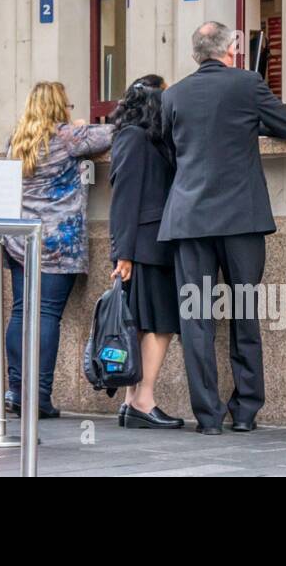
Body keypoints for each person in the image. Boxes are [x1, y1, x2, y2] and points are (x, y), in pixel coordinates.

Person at [160, 21, 286, 435]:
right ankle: (245, 410)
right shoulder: (248, 84)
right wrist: (249, 124)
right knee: (243, 311)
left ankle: (208, 417)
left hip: (188, 219)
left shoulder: (173, 95)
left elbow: (173, 150)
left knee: (196, 318)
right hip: (241, 217)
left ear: (194, 55)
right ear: (230, 51)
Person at [4, 81, 113, 418]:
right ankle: (39, 397)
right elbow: (116, 131)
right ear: (59, 107)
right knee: (48, 315)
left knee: (21, 312)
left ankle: (16, 390)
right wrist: (83, 125)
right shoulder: (68, 138)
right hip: (56, 243)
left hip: (20, 239)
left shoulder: (17, 141)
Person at [108, 76, 183, 430]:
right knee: (159, 325)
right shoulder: (135, 138)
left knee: (143, 324)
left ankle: (131, 401)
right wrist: (122, 253)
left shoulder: (138, 137)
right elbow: (125, 196)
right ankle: (143, 399)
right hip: (145, 247)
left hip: (146, 245)